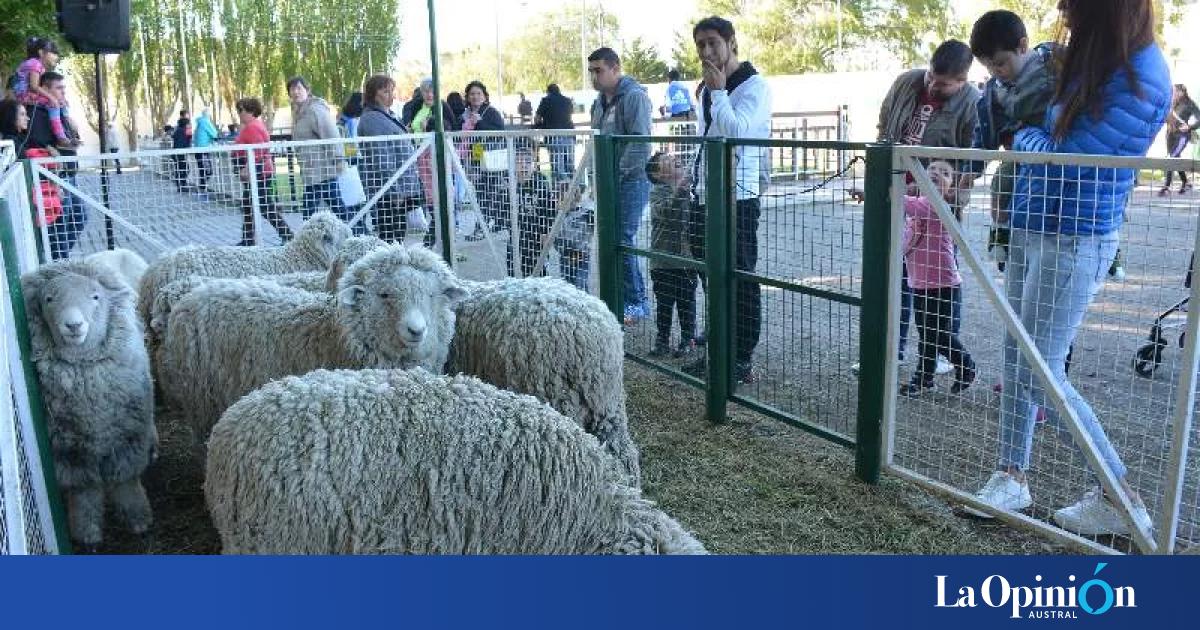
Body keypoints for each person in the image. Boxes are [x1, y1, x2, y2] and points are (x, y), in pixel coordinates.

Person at [968, 0, 1171, 538]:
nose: (1060, 8)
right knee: (1017, 354)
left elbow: (1068, 153)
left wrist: (1021, 137)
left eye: (1072, 2)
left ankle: (1120, 496)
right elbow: (1049, 139)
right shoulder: (1095, 60)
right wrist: (1034, 138)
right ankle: (1012, 474)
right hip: (1035, 224)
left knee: (1042, 368)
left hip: (1076, 236)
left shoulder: (1138, 74)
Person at [875, 39, 979, 376]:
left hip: (936, 203)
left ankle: (943, 351)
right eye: (932, 77)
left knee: (941, 282)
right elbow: (884, 124)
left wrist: (951, 196)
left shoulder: (971, 104)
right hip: (897, 194)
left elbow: (973, 158)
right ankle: (895, 349)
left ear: (962, 81)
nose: (934, 85)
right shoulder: (908, 82)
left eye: (944, 83)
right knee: (897, 275)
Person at [684, 17, 772, 383]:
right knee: (711, 276)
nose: (706, 52)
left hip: (739, 196)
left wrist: (719, 92)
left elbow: (735, 130)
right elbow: (707, 135)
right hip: (705, 193)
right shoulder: (706, 89)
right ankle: (720, 348)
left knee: (739, 277)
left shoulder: (754, 86)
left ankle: (742, 357)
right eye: (700, 45)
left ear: (731, 42)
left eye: (713, 44)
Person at [968, 10, 1058, 276]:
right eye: (988, 67)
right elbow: (984, 132)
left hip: (1056, 151)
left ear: (1022, 46)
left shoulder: (1054, 65)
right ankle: (1000, 232)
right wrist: (971, 168)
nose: (995, 72)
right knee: (1002, 182)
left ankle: (1112, 251)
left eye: (1000, 63)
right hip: (1021, 154)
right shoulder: (996, 89)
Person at [898, 161, 976, 396]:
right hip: (920, 284)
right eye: (931, 169)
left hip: (943, 285)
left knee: (938, 335)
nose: (936, 173)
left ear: (950, 188)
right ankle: (924, 379)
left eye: (945, 173)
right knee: (927, 335)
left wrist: (875, 191)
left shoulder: (936, 205)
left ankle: (966, 366)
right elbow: (905, 245)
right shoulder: (916, 214)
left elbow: (902, 202)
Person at [588, 47, 653, 324]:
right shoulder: (599, 102)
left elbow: (640, 141)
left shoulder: (634, 97)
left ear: (616, 68)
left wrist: (618, 175)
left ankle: (636, 301)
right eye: (591, 71)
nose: (594, 76)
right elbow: (595, 141)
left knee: (622, 239)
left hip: (632, 180)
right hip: (609, 181)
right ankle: (619, 298)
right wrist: (593, 176)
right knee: (609, 239)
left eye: (598, 70)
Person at [23, 73, 86, 259]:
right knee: (59, 228)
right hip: (55, 179)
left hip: (68, 174)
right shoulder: (38, 113)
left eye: (64, 88)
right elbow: (42, 146)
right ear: (45, 89)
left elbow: (70, 133)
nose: (63, 92)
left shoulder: (58, 111)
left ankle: (60, 260)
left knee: (78, 219)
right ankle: (59, 264)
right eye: (59, 88)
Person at [358, 75, 425, 244]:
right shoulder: (372, 119)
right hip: (388, 188)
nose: (391, 95)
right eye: (385, 91)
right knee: (390, 233)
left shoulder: (388, 115)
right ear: (373, 94)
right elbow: (381, 157)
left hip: (400, 184)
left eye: (391, 90)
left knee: (398, 232)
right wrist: (394, 191)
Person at [646, 151, 698, 358]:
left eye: (671, 156)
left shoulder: (693, 187)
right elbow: (667, 214)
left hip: (686, 259)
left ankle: (688, 339)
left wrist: (685, 188)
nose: (673, 158)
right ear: (658, 175)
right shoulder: (657, 192)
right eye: (665, 160)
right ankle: (662, 339)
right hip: (663, 260)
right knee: (664, 303)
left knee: (687, 302)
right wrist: (680, 191)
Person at [287, 76, 352, 225]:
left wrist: (338, 159)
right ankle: (355, 233)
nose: (295, 92)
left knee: (332, 208)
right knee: (332, 208)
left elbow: (331, 134)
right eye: (292, 89)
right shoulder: (298, 112)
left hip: (324, 169)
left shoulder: (315, 110)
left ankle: (356, 234)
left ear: (307, 90)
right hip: (311, 171)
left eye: (299, 88)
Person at [404, 77, 458, 247]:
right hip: (420, 159)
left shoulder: (442, 107)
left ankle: (432, 242)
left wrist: (432, 125)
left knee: (440, 200)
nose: (429, 94)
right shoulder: (416, 107)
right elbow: (411, 126)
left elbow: (451, 128)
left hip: (437, 158)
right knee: (429, 199)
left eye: (432, 90)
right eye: (425, 91)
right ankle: (435, 240)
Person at [232, 97, 293, 246]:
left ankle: (287, 236)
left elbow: (258, 151)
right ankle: (249, 238)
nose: (239, 114)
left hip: (258, 173)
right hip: (258, 172)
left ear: (251, 111)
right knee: (250, 206)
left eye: (241, 110)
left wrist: (247, 169)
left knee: (264, 207)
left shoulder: (252, 127)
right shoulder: (252, 126)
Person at [460, 80, 507, 241]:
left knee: (488, 193)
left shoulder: (491, 112)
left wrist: (480, 122)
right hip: (477, 156)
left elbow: (500, 131)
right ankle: (494, 223)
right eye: (472, 94)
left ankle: (483, 227)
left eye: (478, 93)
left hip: (492, 158)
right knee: (483, 193)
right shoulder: (465, 114)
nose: (475, 97)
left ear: (484, 96)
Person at [12, 37, 74, 148]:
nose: (56, 57)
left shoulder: (37, 65)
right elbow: (34, 86)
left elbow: (39, 88)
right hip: (25, 96)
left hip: (27, 94)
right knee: (53, 104)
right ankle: (60, 136)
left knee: (59, 101)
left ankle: (67, 125)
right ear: (41, 53)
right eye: (53, 53)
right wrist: (51, 98)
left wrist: (59, 99)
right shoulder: (35, 64)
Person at [508, 149, 556, 277]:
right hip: (517, 236)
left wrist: (546, 232)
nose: (523, 165)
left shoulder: (541, 182)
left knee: (539, 272)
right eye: (519, 162)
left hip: (537, 235)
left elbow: (549, 210)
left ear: (534, 165)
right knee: (514, 271)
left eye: (528, 162)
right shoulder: (509, 183)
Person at [1161, 84, 1199, 196]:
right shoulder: (1172, 103)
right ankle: (1186, 182)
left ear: (1183, 92)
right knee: (1175, 158)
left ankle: (1166, 186)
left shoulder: (1189, 104)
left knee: (1172, 158)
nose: (1174, 94)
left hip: (1182, 136)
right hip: (1170, 134)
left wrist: (1190, 127)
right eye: (1173, 92)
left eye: (1176, 92)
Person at [534, 83, 576, 183]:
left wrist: (539, 125)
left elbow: (537, 118)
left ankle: (560, 193)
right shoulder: (567, 100)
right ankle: (575, 189)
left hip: (554, 137)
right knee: (570, 166)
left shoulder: (545, 100)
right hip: (569, 136)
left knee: (558, 168)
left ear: (548, 91)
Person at [192, 107, 220, 190]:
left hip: (198, 149)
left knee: (202, 170)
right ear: (208, 115)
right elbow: (214, 134)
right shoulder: (205, 122)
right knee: (208, 171)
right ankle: (202, 187)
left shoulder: (199, 123)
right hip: (203, 149)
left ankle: (202, 187)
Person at [171, 110, 192, 192]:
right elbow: (188, 139)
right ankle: (182, 185)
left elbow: (174, 137)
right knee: (184, 168)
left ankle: (181, 185)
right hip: (181, 152)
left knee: (180, 168)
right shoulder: (185, 129)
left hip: (176, 151)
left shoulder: (178, 128)